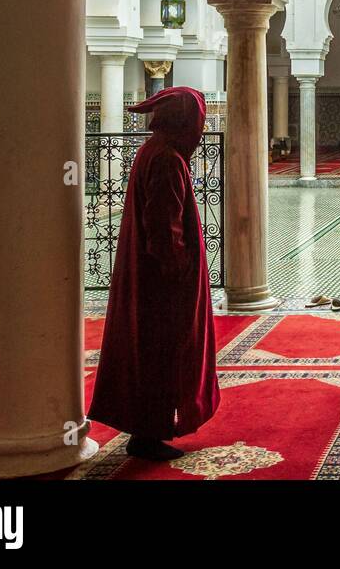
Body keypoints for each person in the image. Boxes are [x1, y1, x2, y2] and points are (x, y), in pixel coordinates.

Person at [90, 87, 218, 462]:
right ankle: (148, 435)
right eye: (198, 119)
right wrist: (177, 272)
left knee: (149, 349)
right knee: (164, 349)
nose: (201, 127)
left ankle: (147, 429)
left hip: (149, 275)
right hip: (161, 281)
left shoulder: (157, 150)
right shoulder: (166, 159)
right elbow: (165, 227)